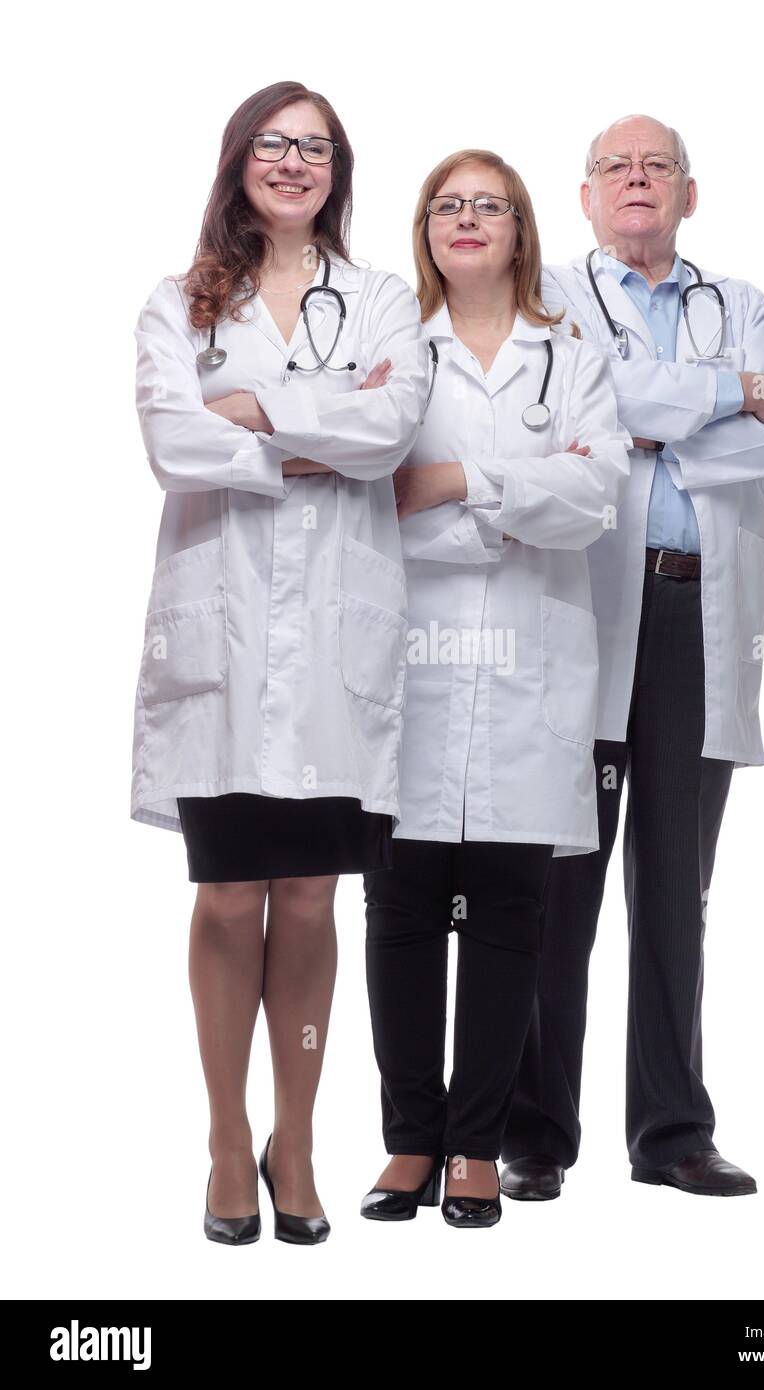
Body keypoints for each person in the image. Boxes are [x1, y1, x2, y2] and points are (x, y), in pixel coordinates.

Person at [129, 80, 428, 1244]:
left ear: (337, 172)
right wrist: (309, 428)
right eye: (273, 143)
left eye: (314, 147)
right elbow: (170, 442)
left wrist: (253, 415)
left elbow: (390, 429)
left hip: (338, 639)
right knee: (226, 895)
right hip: (226, 627)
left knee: (308, 897)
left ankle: (293, 1138)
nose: (293, 162)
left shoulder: (385, 300)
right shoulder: (179, 303)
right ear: (238, 161)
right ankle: (221, 1134)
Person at [501, 114, 764, 1200]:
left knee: (677, 886)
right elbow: (596, 408)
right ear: (584, 197)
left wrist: (654, 418)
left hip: (694, 615)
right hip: (581, 608)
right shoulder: (546, 298)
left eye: (656, 168)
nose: (635, 181)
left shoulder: (742, 302)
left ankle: (672, 1131)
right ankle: (534, 1128)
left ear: (689, 193)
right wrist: (732, 391)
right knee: (559, 874)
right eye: (613, 169)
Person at [359, 150, 631, 1229]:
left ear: (520, 232)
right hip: (408, 662)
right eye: (444, 204)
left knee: (512, 911)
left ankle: (476, 1146)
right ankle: (409, 1138)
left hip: (530, 664)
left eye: (488, 205)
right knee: (401, 906)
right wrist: (519, 501)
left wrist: (460, 484)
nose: (465, 219)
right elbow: (373, 496)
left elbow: (595, 492)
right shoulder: (390, 354)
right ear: (424, 230)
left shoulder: (570, 356)